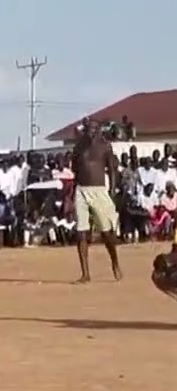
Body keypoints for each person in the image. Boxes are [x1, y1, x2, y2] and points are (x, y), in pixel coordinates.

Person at [70, 119, 122, 282]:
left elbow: (112, 170)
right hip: (81, 190)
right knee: (81, 232)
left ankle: (114, 261)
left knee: (106, 233)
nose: (90, 132)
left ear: (99, 130)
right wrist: (75, 192)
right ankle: (85, 274)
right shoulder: (78, 147)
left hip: (99, 191)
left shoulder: (105, 146)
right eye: (88, 129)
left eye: (93, 129)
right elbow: (75, 170)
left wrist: (112, 192)